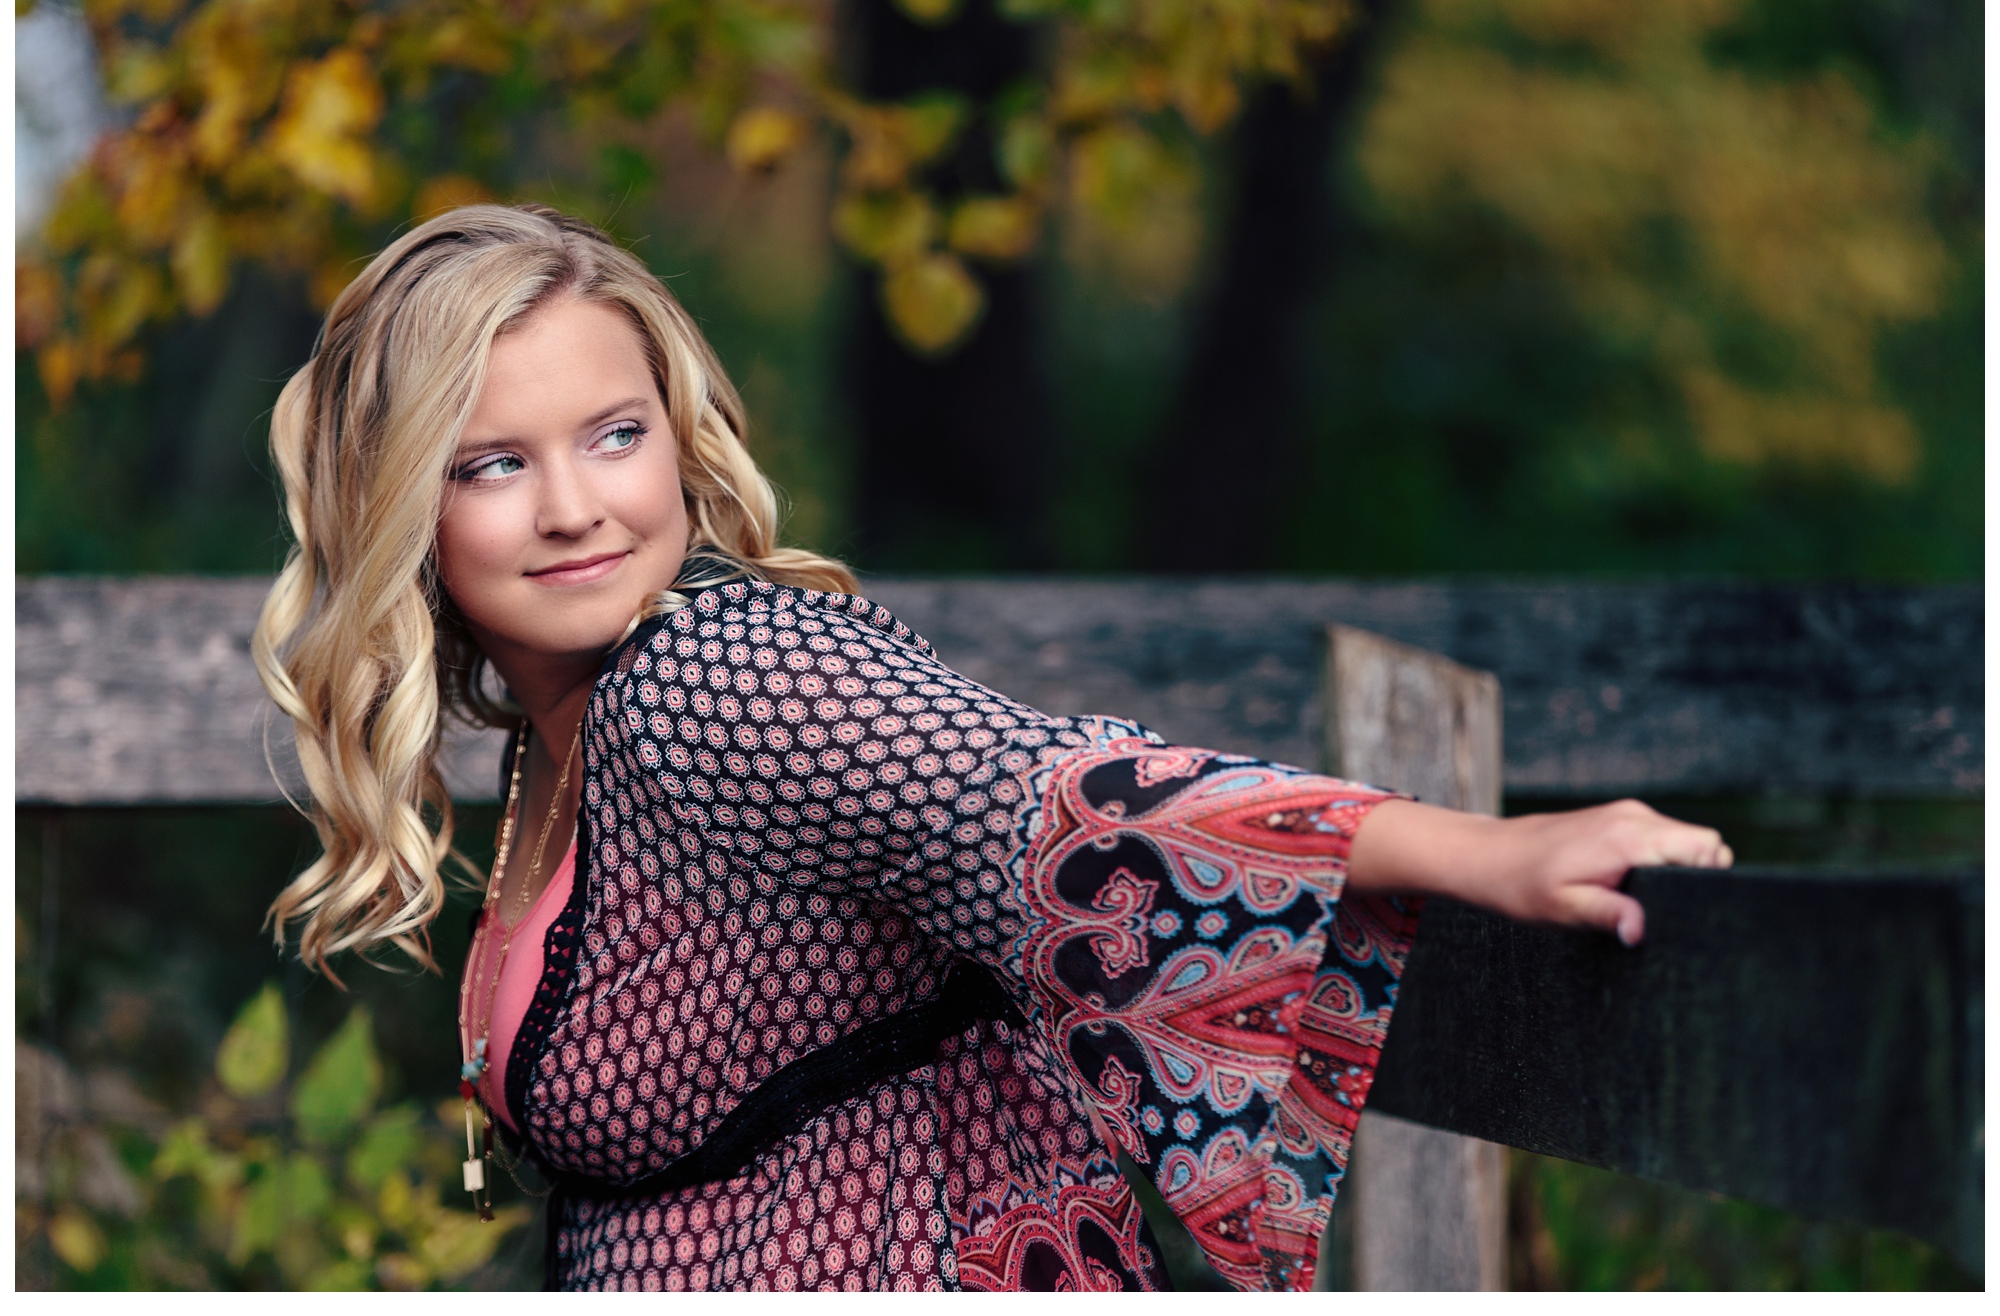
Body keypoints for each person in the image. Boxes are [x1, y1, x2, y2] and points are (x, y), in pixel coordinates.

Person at [253, 203, 1732, 1293]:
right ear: (402, 511)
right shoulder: (550, 743)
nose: (575, 506)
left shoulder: (717, 667)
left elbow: (1041, 797)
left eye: (616, 434)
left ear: (680, 437)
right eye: (494, 465)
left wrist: (1487, 849)